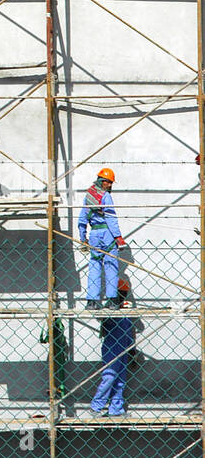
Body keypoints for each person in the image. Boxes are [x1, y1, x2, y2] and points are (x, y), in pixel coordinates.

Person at [78, 167, 125, 309]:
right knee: (111, 265)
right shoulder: (105, 196)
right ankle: (112, 300)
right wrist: (118, 237)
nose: (110, 185)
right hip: (107, 234)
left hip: (94, 235)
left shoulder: (89, 195)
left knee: (94, 265)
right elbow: (111, 218)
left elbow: (82, 218)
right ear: (102, 181)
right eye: (108, 182)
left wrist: (82, 236)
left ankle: (92, 301)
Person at [91, 279, 135, 418]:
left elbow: (129, 330)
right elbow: (102, 323)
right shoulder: (109, 309)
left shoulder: (126, 310)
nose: (122, 296)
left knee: (121, 379)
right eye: (120, 293)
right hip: (112, 347)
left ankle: (116, 409)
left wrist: (131, 348)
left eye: (124, 293)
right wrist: (112, 311)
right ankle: (96, 407)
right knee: (109, 377)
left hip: (123, 347)